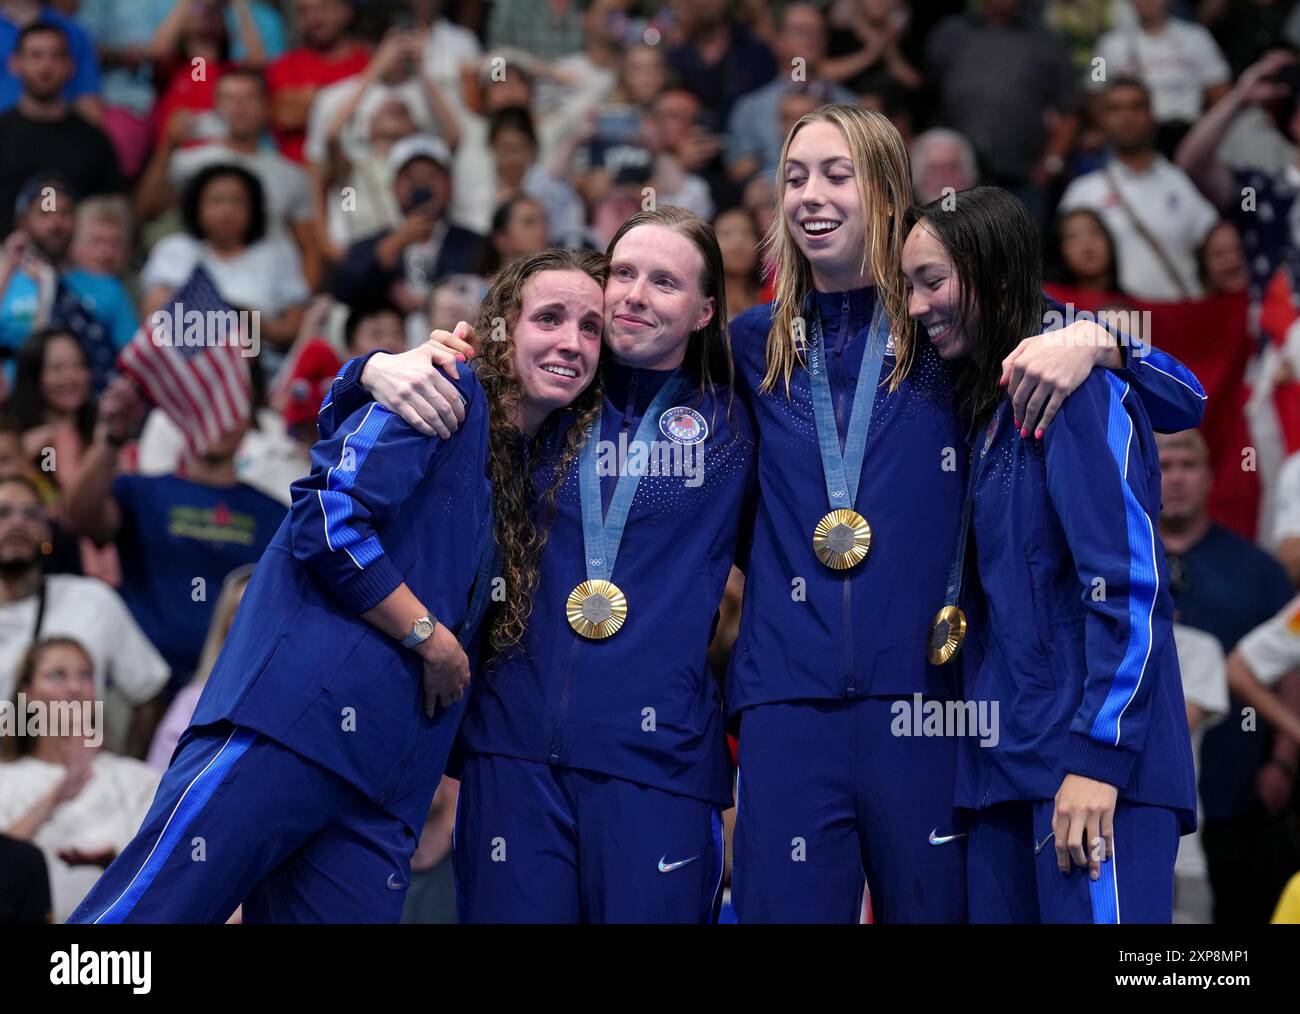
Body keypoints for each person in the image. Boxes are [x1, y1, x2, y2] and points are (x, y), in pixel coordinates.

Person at [377, 106, 1205, 924]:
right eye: (795, 176)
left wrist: (1104, 342)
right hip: (782, 709)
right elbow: (570, 370)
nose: (812, 193)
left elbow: (1181, 399)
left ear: (885, 192)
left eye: (837, 174)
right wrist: (384, 368)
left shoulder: (942, 324)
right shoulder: (746, 348)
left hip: (924, 704)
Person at [68, 248, 606, 924]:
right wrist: (428, 637)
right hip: (292, 728)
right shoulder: (445, 390)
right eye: (550, 317)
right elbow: (323, 517)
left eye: (591, 327)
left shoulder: (539, 470)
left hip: (389, 786)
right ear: (501, 328)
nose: (571, 341)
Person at [327, 206, 754, 924]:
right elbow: (380, 431)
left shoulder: (740, 424)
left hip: (658, 765)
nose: (634, 295)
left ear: (706, 311)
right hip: (511, 753)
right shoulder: (538, 397)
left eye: (665, 282)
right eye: (622, 272)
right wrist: (367, 369)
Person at [902, 185, 1200, 923]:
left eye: (932, 281)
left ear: (997, 275)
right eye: (908, 285)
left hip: (1091, 775)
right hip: (1003, 774)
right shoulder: (987, 399)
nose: (914, 306)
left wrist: (1098, 761)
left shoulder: (1078, 389)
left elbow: (1130, 583)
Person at [61, 373, 286, 692]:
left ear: (249, 419)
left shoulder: (276, 513)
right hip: (143, 690)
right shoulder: (141, 491)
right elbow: (78, 519)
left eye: (230, 407)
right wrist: (109, 441)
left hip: (237, 692)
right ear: (185, 415)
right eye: (207, 407)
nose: (219, 419)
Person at [1157, 427, 1300, 922]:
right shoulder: (1122, 561)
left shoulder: (1255, 569)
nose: (1175, 478)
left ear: (1210, 478)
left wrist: (1283, 759)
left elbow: (1286, 670)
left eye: (1188, 466)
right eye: (1165, 465)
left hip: (1241, 791)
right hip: (1149, 795)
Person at [0, 637, 162, 922]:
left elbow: (171, 870)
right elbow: (5, 862)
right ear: (26, 693)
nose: (74, 687)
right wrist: (58, 795)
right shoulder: (7, 780)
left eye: (85, 675)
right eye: (56, 675)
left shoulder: (138, 779)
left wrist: (113, 864)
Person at [0, 475, 169, 735]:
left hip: (75, 768)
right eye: (3, 513)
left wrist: (125, 766)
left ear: (48, 533)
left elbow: (149, 692)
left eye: (31, 514)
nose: (17, 523)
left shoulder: (91, 601)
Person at [1059, 77, 1219, 301]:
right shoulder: (1082, 193)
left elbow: (1217, 250)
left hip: (1180, 322)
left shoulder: (1181, 181)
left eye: (1137, 106)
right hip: (1115, 326)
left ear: (1152, 116)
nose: (1127, 117)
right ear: (1102, 120)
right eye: (1115, 109)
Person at [139, 164, 310, 374]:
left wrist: (253, 324)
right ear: (196, 206)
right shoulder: (176, 248)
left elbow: (295, 327)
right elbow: (153, 318)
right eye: (216, 201)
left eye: (237, 201)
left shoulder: (277, 254)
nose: (226, 210)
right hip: (184, 371)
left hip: (259, 371)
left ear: (254, 209)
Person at [331, 135, 485, 315]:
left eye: (431, 176)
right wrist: (392, 246)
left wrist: (432, 301)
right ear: (394, 187)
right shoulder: (371, 246)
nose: (421, 186)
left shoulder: (475, 244)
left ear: (449, 184)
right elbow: (343, 290)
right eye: (410, 178)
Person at [0, 22, 123, 237]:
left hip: (78, 263)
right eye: (36, 56)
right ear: (15, 64)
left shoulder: (93, 140)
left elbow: (114, 211)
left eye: (55, 56)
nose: (46, 67)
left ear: (71, 66)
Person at [1091, 0, 1232, 156]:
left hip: (1186, 132)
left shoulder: (1197, 38)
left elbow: (1220, 91)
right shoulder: (1107, 45)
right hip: (1130, 136)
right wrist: (1102, 129)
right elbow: (1094, 91)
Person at [265, 0, 370, 163]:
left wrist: (311, 98)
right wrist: (353, 97)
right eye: (303, 11)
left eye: (323, 7)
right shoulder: (283, 66)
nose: (314, 18)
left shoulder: (368, 62)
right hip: (299, 175)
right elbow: (286, 116)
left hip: (355, 173)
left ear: (347, 10)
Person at [1049, 208, 1123, 296]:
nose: (1086, 243)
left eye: (1094, 232)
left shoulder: (1136, 306)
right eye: (1072, 236)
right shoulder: (1045, 301)